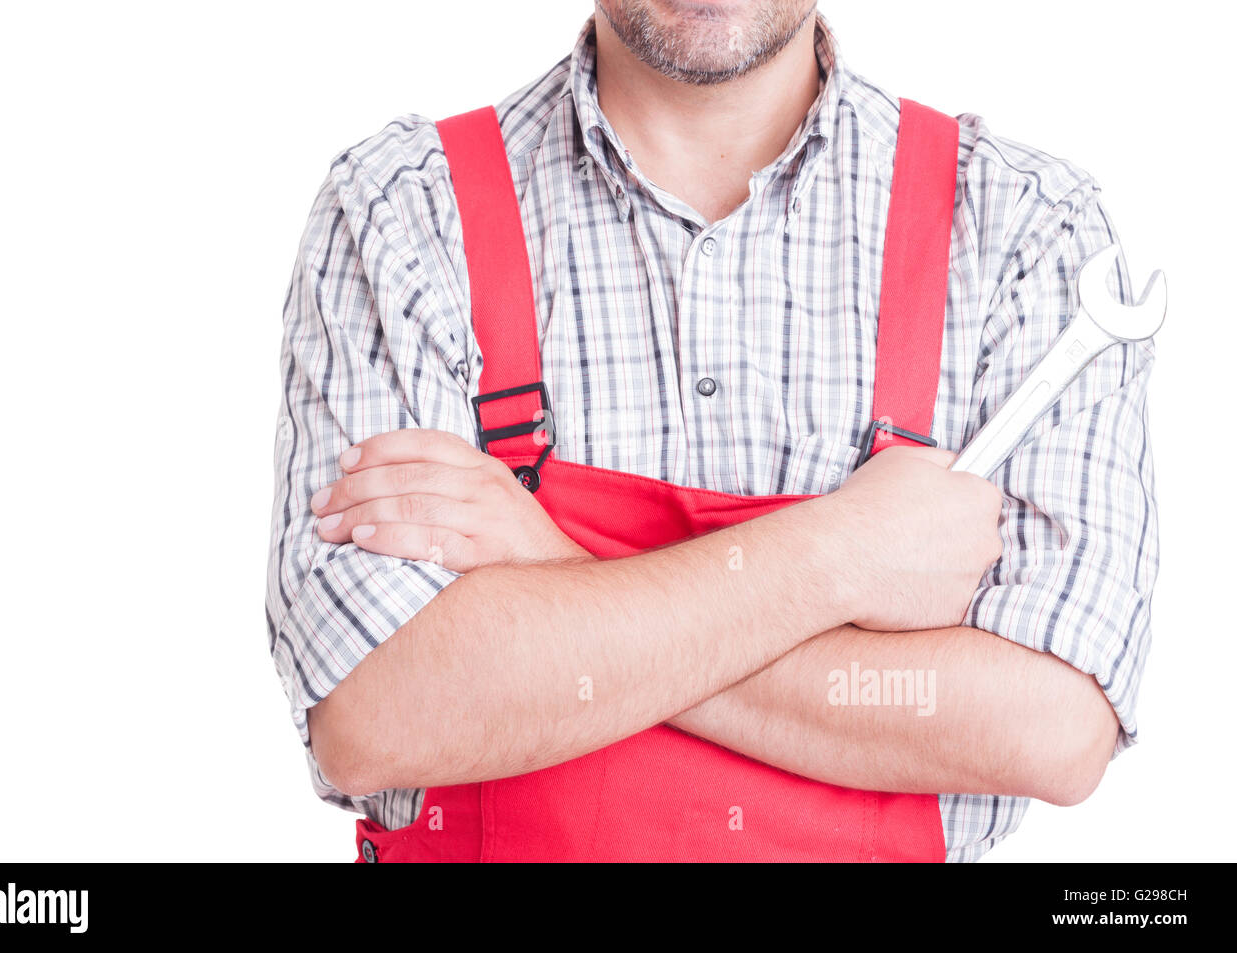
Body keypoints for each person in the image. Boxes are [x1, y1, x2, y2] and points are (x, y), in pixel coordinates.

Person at [266, 1, 1158, 862]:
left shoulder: (1025, 233)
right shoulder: (404, 214)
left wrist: (552, 578)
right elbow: (376, 712)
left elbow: (1053, 728)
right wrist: (844, 553)